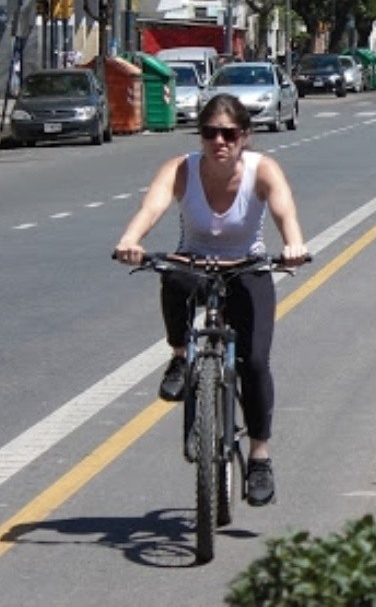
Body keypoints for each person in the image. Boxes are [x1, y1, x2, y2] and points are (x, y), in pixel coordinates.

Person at [113, 93, 309, 507]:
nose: (219, 142)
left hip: (247, 267)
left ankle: (259, 456)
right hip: (195, 262)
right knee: (173, 277)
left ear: (245, 136)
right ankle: (182, 356)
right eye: (209, 133)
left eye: (228, 133)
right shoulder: (181, 169)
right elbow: (152, 208)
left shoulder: (263, 170)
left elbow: (285, 213)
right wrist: (132, 239)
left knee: (254, 363)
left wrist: (293, 245)